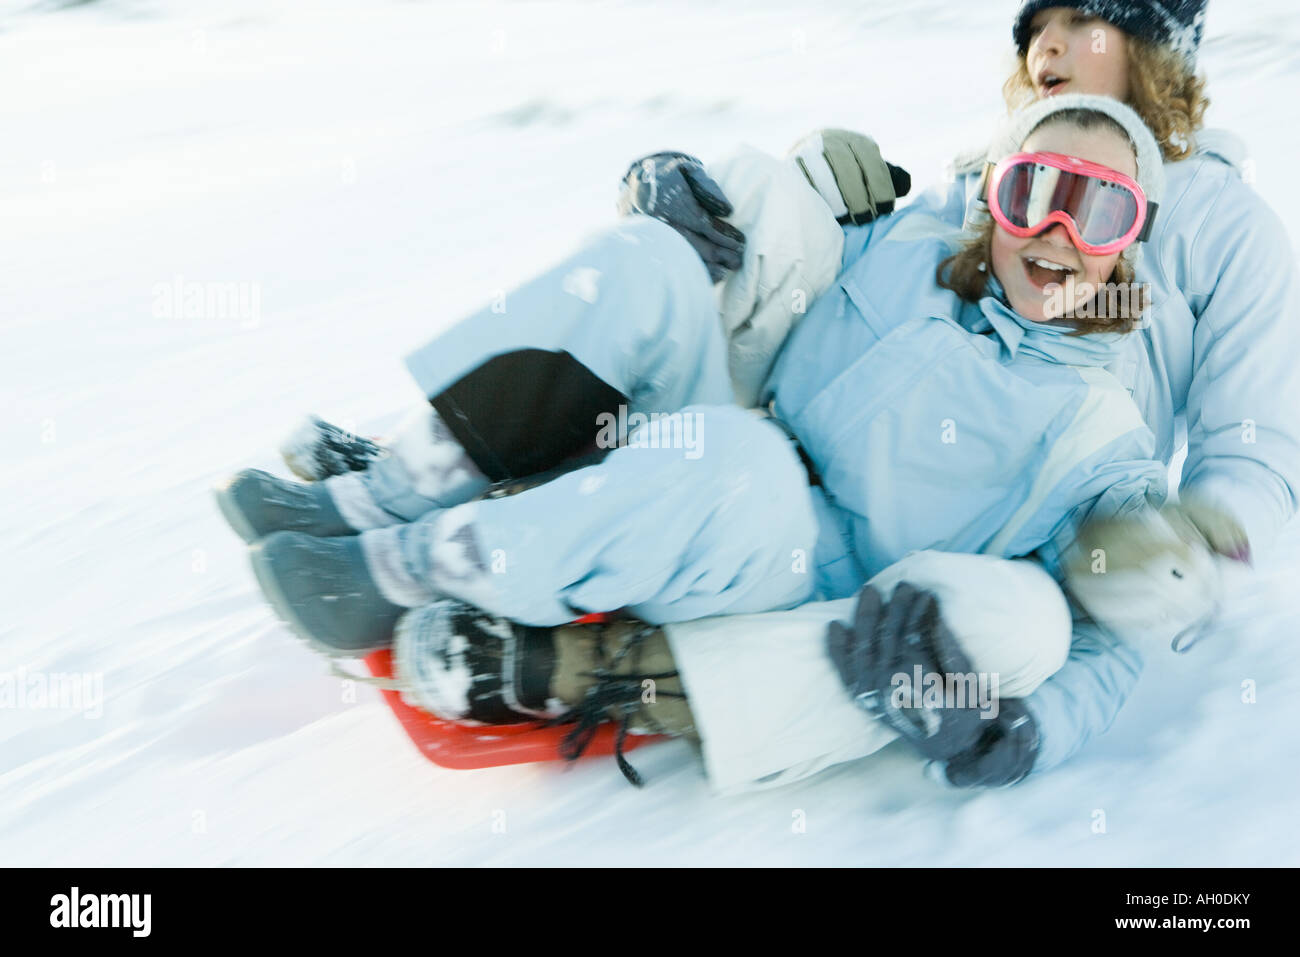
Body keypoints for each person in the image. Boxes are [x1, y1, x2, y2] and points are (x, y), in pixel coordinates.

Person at [219, 96, 1185, 790]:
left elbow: (1114, 631)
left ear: (1128, 242)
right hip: (701, 443)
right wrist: (668, 189)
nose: (1057, 229)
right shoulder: (909, 253)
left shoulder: (1101, 434)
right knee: (649, 265)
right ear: (994, 200)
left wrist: (1022, 734)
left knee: (748, 467)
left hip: (785, 572)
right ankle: (380, 497)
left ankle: (405, 568)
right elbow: (769, 237)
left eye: (1099, 208)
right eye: (1033, 192)